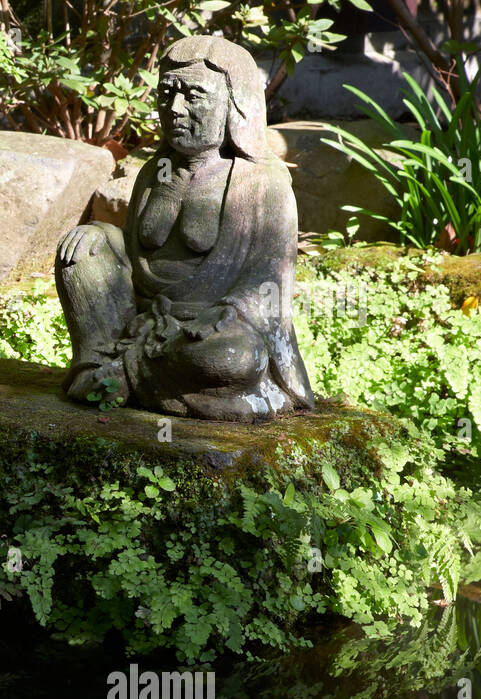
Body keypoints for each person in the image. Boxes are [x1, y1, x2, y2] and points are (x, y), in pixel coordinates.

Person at [56, 35, 315, 422]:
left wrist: (229, 311)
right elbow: (128, 260)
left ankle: (118, 375)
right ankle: (103, 363)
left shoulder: (263, 183)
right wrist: (98, 235)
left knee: (233, 358)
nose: (175, 109)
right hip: (142, 319)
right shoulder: (154, 173)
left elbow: (273, 281)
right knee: (84, 249)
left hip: (214, 331)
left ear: (234, 103)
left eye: (194, 95)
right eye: (166, 94)